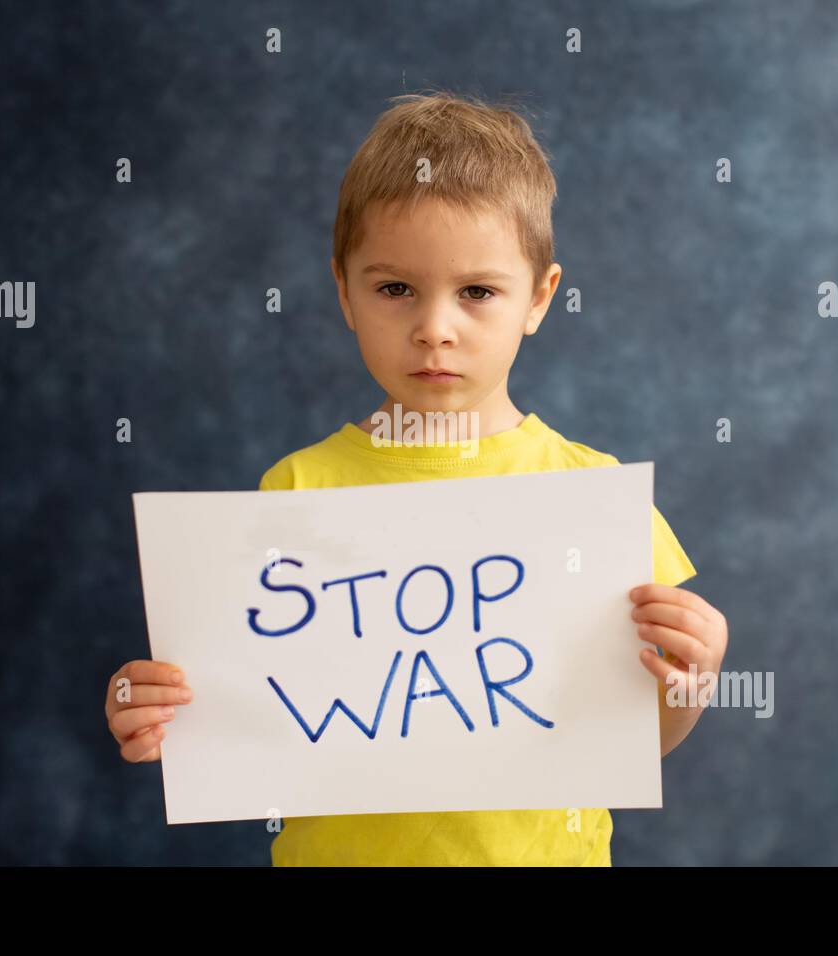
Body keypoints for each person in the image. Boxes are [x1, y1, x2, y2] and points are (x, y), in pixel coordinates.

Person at [105, 90, 729, 866]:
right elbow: (241, 709)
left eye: (478, 291)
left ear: (538, 297)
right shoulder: (296, 490)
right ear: (344, 292)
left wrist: (689, 685)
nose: (436, 326)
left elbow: (626, 741)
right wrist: (153, 708)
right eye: (396, 288)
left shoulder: (590, 498)